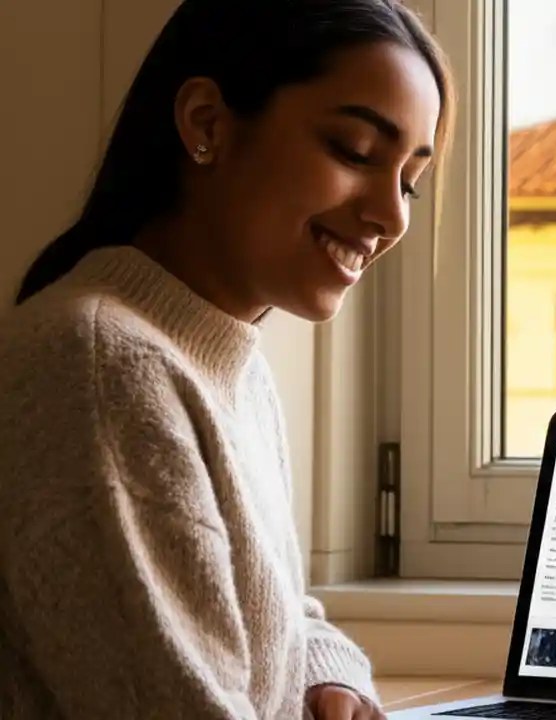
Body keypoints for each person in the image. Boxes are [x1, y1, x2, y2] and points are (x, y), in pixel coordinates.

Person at [0, 0, 453, 718]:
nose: (392, 218)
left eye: (408, 181)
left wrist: (324, 675)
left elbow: (267, 611)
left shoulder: (227, 364)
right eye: (355, 152)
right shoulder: (104, 365)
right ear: (207, 124)